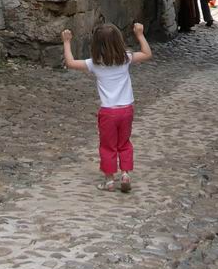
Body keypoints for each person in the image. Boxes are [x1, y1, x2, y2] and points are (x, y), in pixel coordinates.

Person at [61, 21, 152, 192]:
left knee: (107, 145)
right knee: (124, 143)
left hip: (108, 112)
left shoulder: (94, 63)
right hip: (126, 110)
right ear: (119, 41)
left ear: (95, 44)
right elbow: (147, 53)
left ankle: (109, 180)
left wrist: (67, 42)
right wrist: (140, 34)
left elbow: (71, 63)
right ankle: (125, 174)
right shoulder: (125, 58)